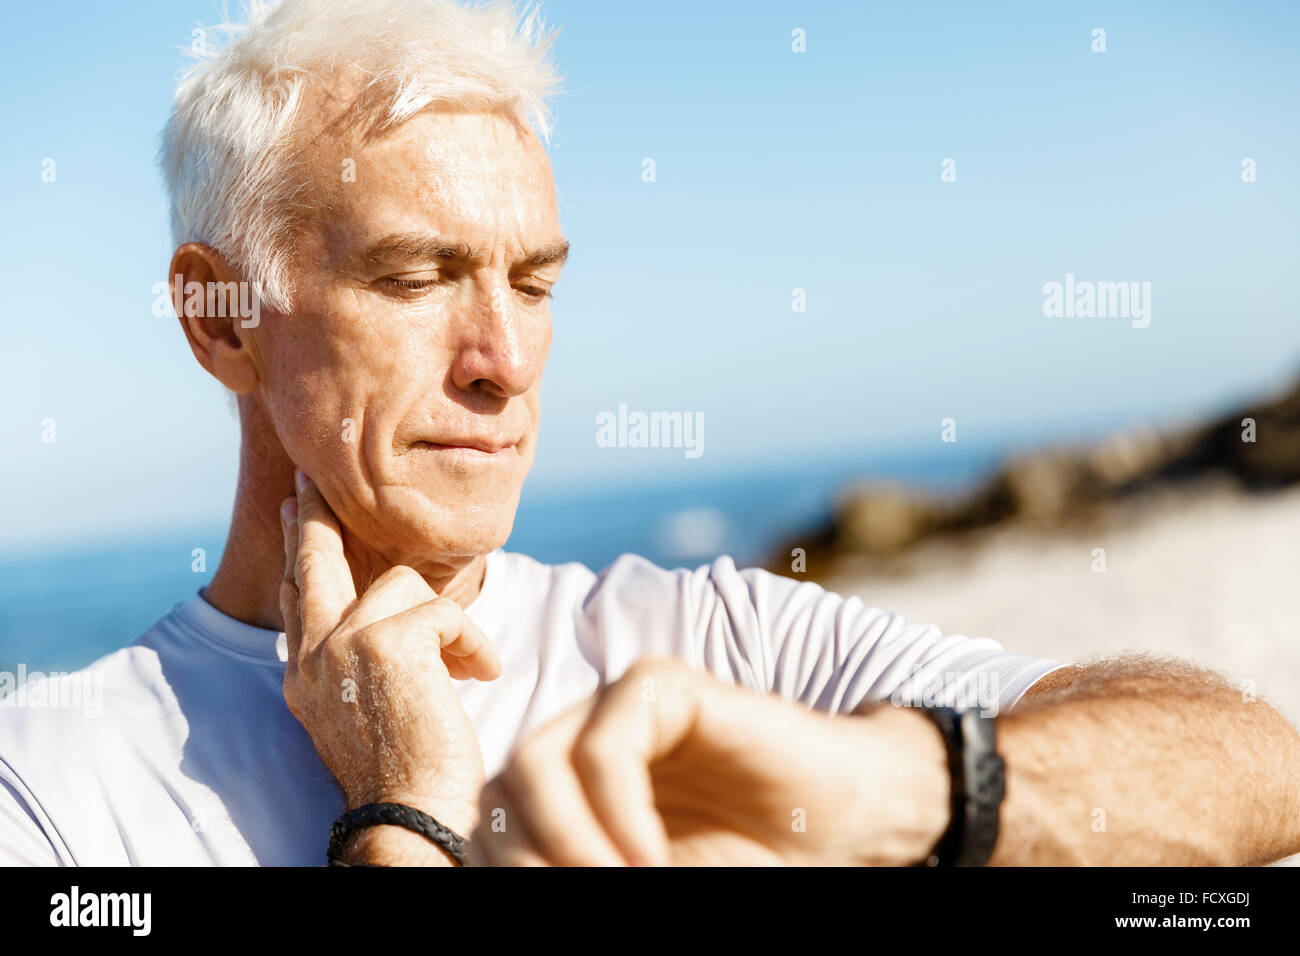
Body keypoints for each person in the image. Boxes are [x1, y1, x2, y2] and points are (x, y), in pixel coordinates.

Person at [2, 0, 1297, 867]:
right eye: (413, 279)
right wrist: (406, 817)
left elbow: (1252, 770)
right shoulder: (47, 787)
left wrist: (880, 789)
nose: (503, 362)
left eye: (534, 283)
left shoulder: (715, 649)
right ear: (221, 320)